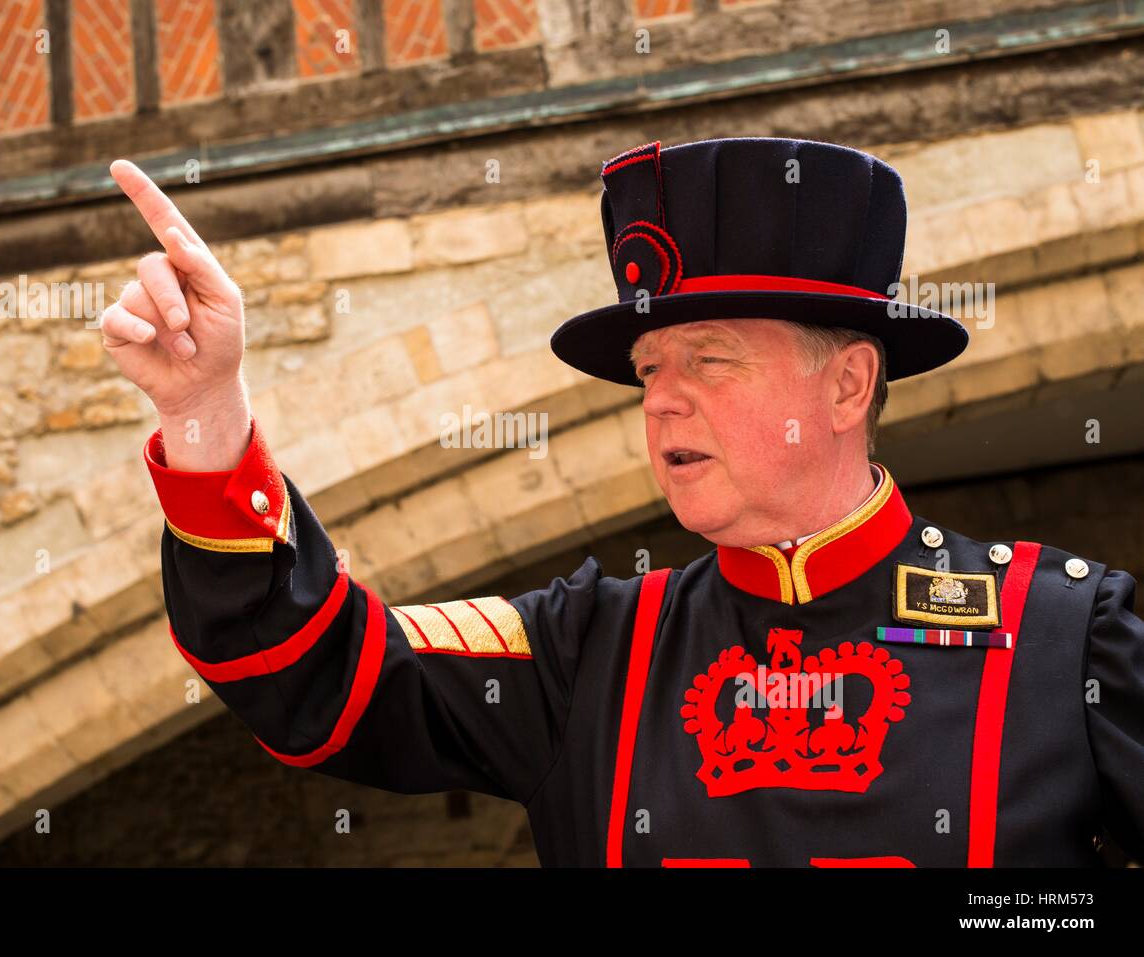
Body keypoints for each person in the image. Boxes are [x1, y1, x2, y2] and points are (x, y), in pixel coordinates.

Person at [100, 136, 1144, 867]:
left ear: (847, 384)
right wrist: (204, 411)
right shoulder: (581, 653)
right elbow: (308, 671)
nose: (663, 399)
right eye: (648, 368)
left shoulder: (1063, 633)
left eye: (709, 358)